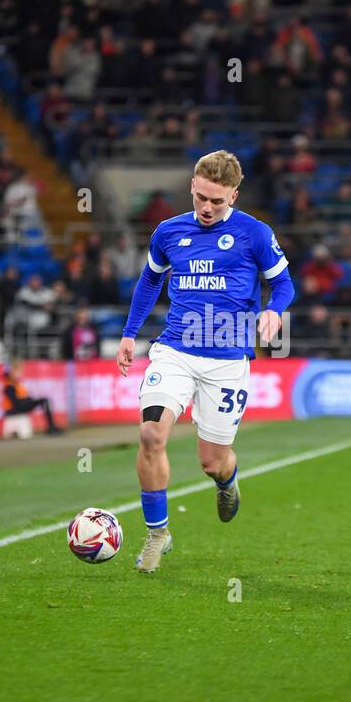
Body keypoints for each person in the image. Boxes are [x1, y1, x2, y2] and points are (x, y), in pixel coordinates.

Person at [116, 150, 295, 573]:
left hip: (227, 360)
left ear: (234, 194)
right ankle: (158, 533)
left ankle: (227, 480)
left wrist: (273, 311)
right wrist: (128, 333)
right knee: (150, 435)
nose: (207, 208)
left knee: (212, 461)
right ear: (192, 188)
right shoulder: (168, 231)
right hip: (174, 349)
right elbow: (149, 281)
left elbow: (283, 283)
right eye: (201, 198)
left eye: (217, 200)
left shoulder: (254, 233)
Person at [1, 360, 61, 435]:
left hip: (21, 405)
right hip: (14, 410)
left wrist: (29, 400)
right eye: (16, 370)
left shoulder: (16, 383)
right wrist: (28, 401)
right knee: (44, 401)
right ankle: (51, 427)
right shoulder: (9, 386)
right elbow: (16, 403)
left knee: (44, 400)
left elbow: (24, 396)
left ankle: (52, 426)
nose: (19, 373)